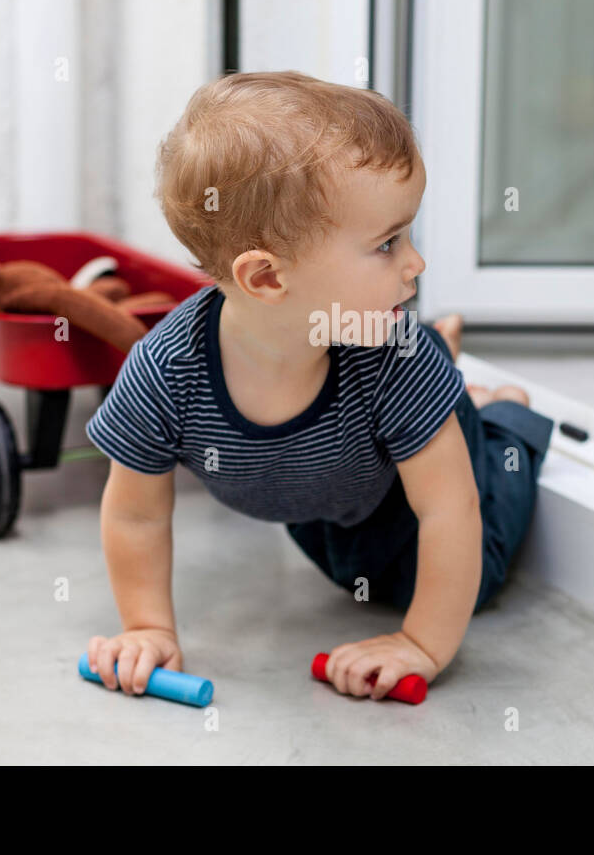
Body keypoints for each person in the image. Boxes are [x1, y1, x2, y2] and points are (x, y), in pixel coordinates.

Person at [84, 71, 554, 701]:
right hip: (323, 492)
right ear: (269, 280)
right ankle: (450, 369)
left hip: (404, 467)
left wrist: (420, 644)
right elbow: (136, 514)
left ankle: (501, 417)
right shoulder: (166, 372)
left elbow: (450, 510)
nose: (416, 263)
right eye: (387, 243)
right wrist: (147, 627)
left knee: (479, 576)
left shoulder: (392, 357)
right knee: (349, 573)